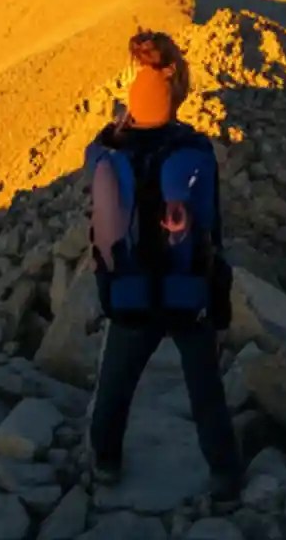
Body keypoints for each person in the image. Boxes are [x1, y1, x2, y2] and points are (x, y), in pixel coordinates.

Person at [84, 29, 243, 500]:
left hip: (129, 290)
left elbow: (98, 173)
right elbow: (210, 223)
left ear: (133, 102)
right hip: (185, 290)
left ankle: (106, 462)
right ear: (175, 98)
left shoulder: (105, 155)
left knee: (115, 385)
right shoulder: (194, 152)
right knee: (205, 388)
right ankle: (224, 474)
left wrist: (119, 128)